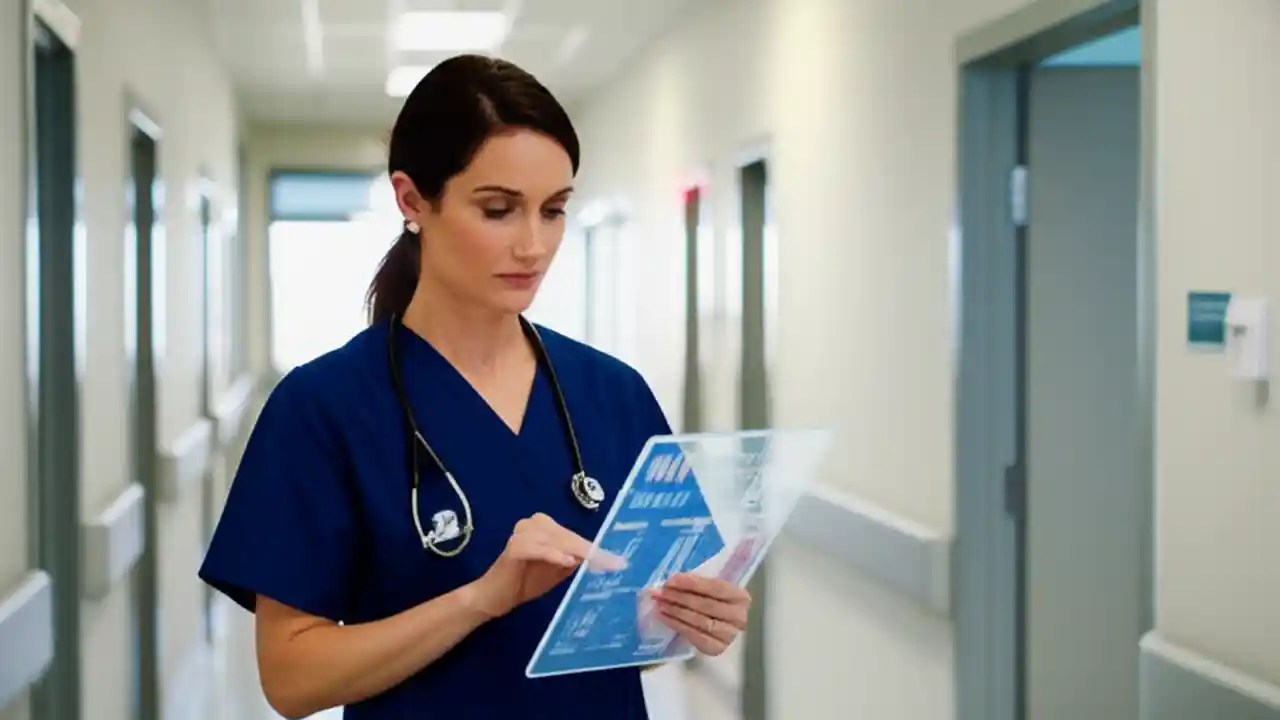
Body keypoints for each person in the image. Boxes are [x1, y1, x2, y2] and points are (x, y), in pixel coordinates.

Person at [198, 54, 752, 719]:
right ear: (412, 201)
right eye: (498, 210)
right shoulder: (325, 408)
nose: (534, 245)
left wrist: (687, 620)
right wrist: (479, 600)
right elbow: (290, 680)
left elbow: (640, 641)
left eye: (553, 211)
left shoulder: (613, 395)